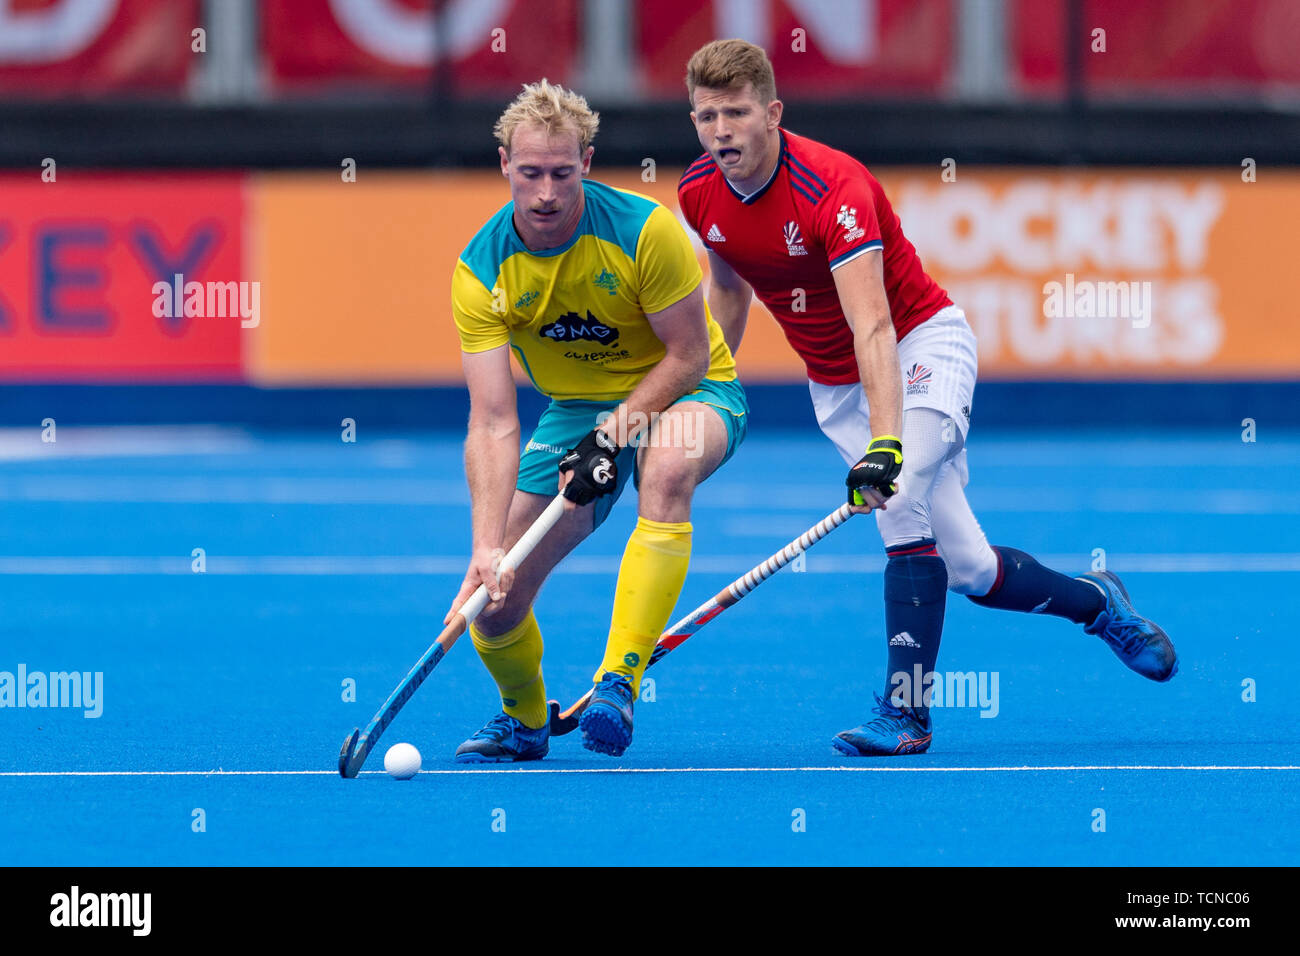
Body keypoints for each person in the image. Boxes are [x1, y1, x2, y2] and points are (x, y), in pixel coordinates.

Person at [676, 39, 1177, 756]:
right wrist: (708, 382)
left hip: (919, 348)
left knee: (901, 497)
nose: (720, 130)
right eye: (705, 115)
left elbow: (874, 324)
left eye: (736, 112)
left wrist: (886, 443)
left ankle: (907, 713)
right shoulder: (698, 191)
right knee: (971, 569)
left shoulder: (832, 189)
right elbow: (726, 290)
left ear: (773, 112)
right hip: (836, 384)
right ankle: (1099, 603)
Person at [447, 79, 748, 761]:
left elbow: (690, 354)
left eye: (561, 172)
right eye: (529, 174)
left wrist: (614, 435)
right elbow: (493, 421)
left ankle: (619, 682)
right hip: (576, 410)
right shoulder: (480, 270)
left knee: (667, 467)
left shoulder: (645, 232)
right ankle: (525, 721)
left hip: (692, 392)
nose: (546, 193)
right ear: (504, 165)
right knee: (492, 605)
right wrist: (486, 547)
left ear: (585, 161)